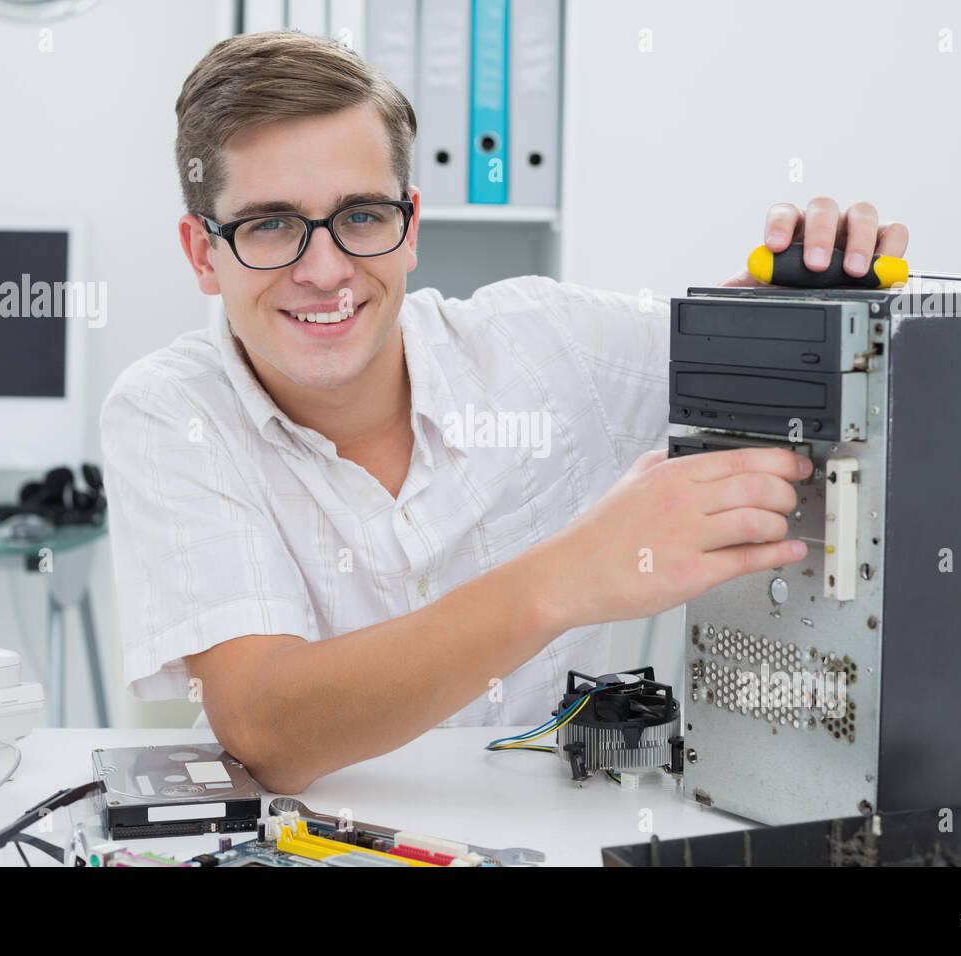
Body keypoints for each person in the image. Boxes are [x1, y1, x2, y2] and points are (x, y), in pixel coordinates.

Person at [99, 31, 910, 794]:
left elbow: (795, 380)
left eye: (361, 217)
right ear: (203, 253)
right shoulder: (170, 413)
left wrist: (809, 313)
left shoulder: (549, 344)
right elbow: (267, 727)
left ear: (410, 227)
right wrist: (574, 575)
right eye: (270, 225)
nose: (326, 269)